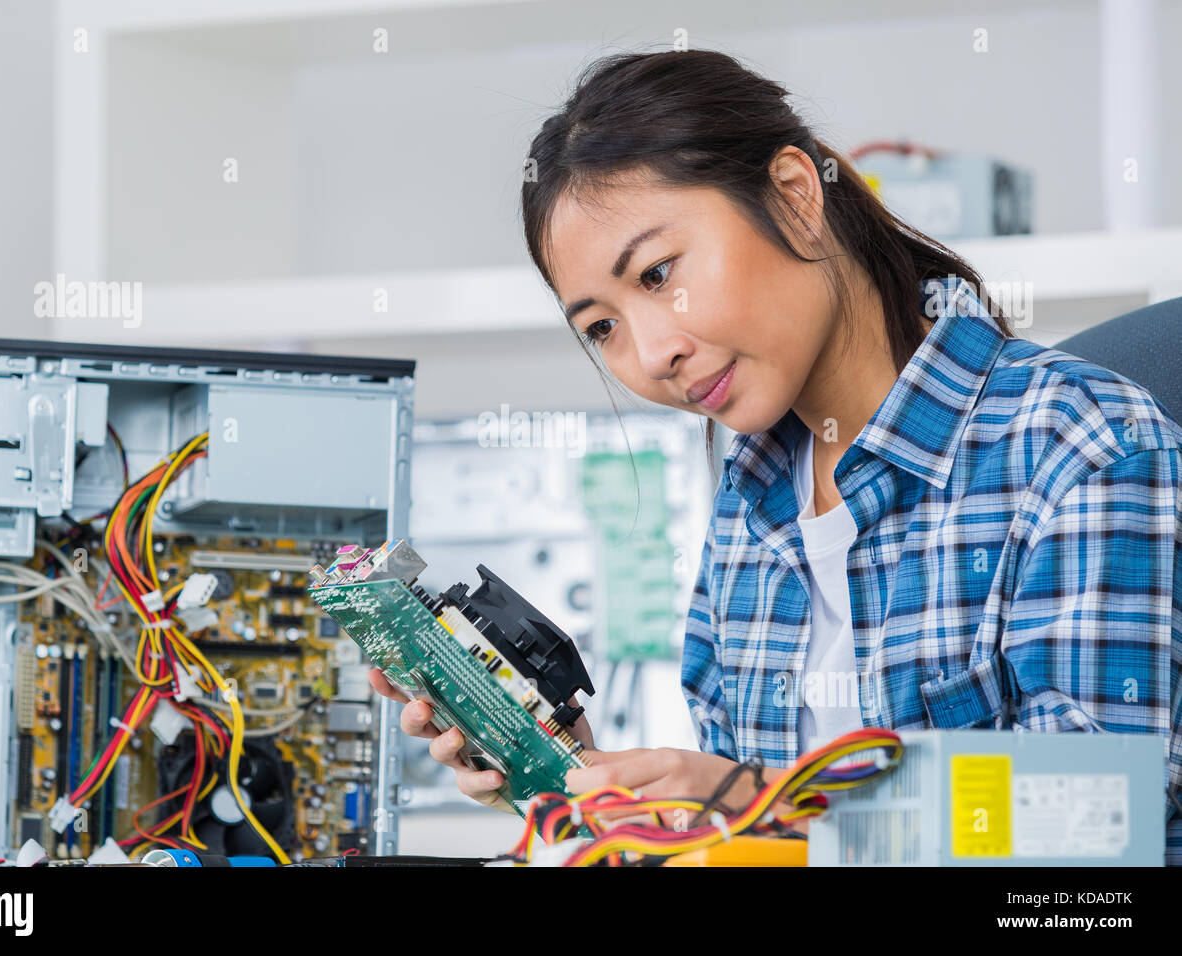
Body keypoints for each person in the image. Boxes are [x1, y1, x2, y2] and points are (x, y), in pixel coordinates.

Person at [369, 49, 1182, 859]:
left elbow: (1102, 824)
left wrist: (751, 800)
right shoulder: (749, 506)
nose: (651, 353)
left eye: (657, 273)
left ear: (795, 197)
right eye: (602, 327)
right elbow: (745, 835)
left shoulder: (1078, 442)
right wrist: (569, 769)